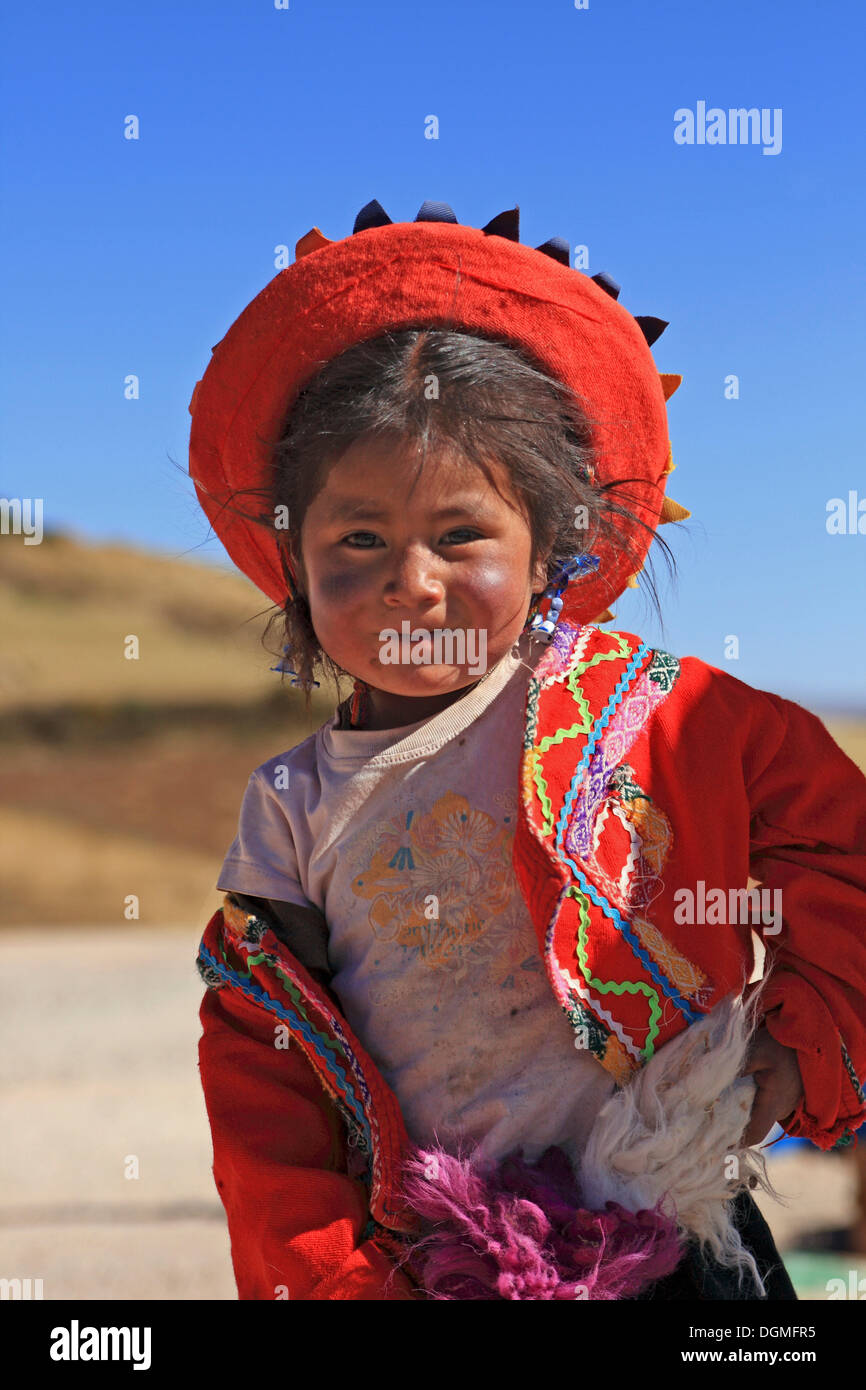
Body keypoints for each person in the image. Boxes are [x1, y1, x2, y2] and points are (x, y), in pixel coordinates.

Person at [189, 199, 866, 1301]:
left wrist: (799, 1047)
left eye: (459, 534)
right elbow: (260, 1071)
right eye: (358, 539)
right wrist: (332, 1277)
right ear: (293, 561)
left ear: (551, 547)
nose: (412, 578)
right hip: (441, 1256)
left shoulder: (660, 715)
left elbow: (845, 851)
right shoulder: (289, 806)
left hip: (676, 1229)